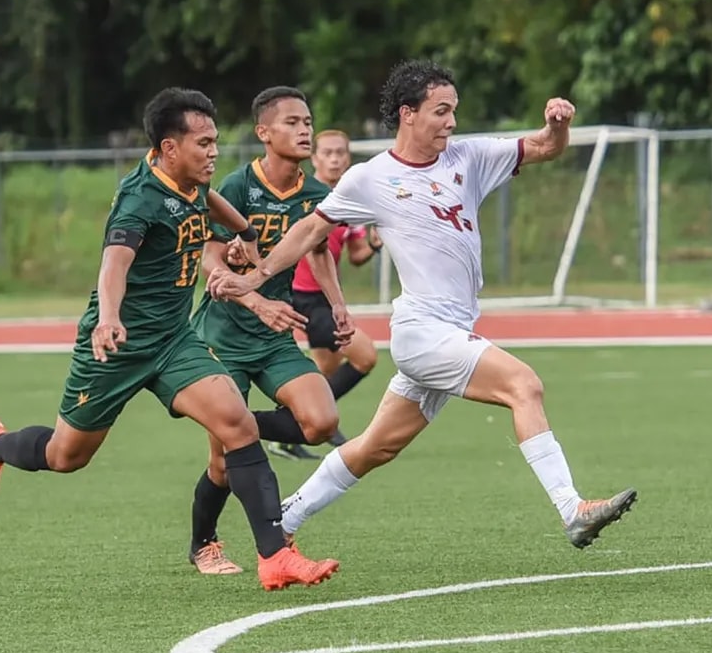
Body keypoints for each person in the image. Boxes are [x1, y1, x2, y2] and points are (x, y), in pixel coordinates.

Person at [208, 60, 637, 554]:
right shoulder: (370, 179)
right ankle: (571, 508)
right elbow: (309, 230)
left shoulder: (469, 157)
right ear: (408, 114)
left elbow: (544, 147)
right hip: (423, 331)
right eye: (441, 111)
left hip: (450, 329)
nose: (452, 122)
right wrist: (257, 277)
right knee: (525, 385)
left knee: (375, 447)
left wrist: (557, 126)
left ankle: (284, 518)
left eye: (454, 111)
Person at [0, 87, 340, 591]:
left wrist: (247, 234)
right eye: (203, 144)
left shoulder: (190, 181)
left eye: (214, 142)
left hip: (174, 340)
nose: (213, 153)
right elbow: (114, 263)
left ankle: (274, 556)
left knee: (237, 423)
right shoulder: (141, 198)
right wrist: (109, 318)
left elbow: (211, 204)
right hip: (118, 346)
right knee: (65, 456)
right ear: (168, 148)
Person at [186, 86, 354, 575]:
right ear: (264, 133)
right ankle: (204, 544)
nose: (305, 130)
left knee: (321, 422)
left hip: (273, 336)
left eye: (308, 122)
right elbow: (210, 260)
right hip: (222, 336)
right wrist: (254, 297)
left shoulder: (317, 195)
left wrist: (338, 305)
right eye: (293, 123)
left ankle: (237, 423)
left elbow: (319, 249)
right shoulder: (237, 187)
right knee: (221, 465)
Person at [272, 129, 383, 460]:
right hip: (303, 296)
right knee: (365, 356)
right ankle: (308, 423)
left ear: (348, 159)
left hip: (325, 299)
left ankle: (288, 431)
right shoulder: (308, 195)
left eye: (341, 153)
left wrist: (375, 244)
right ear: (315, 158)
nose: (335, 159)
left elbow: (356, 254)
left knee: (327, 371)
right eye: (328, 153)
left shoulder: (349, 199)